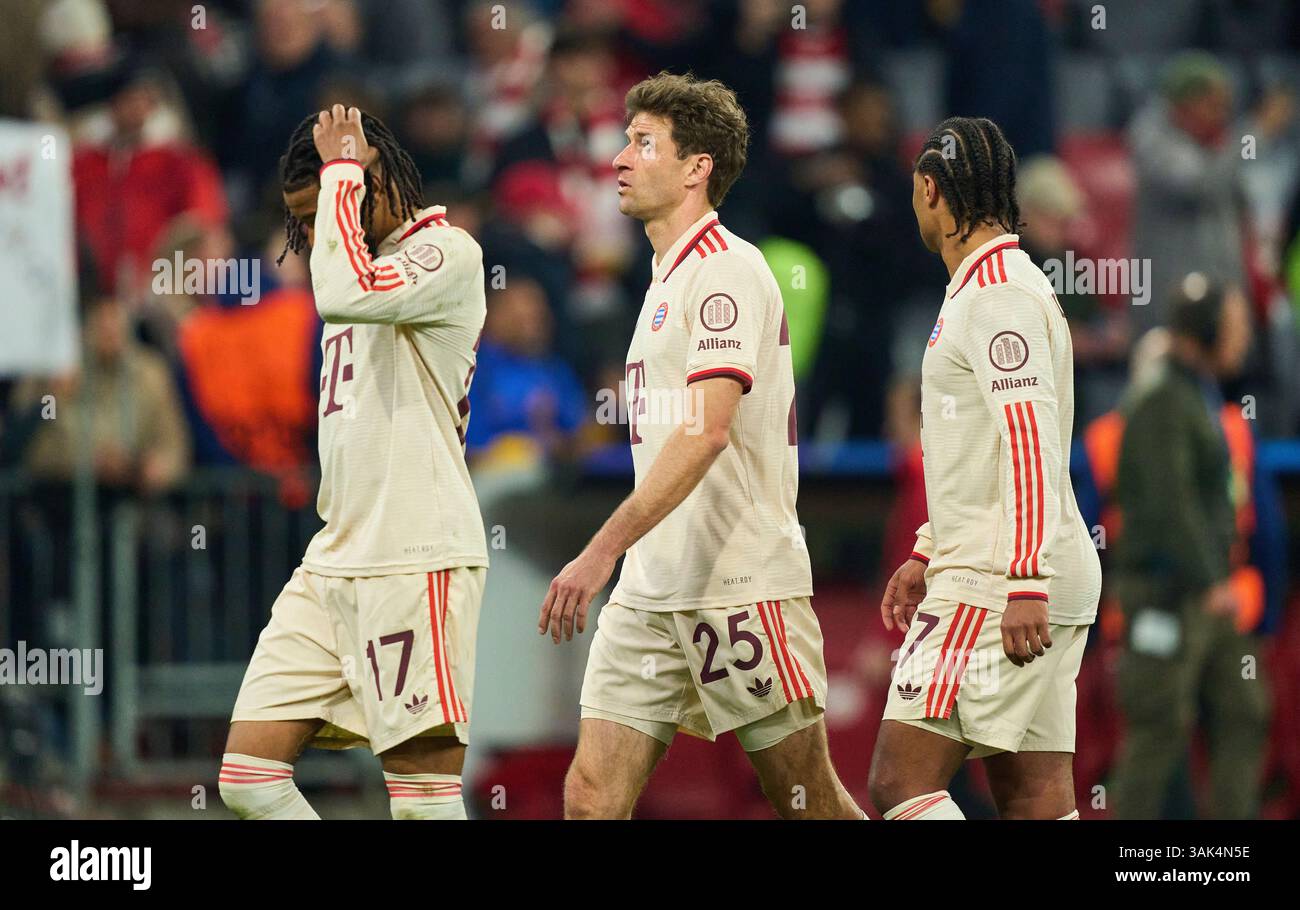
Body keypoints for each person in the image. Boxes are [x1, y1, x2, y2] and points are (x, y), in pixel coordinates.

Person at [537, 72, 861, 820]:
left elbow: (708, 431)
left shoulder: (727, 271)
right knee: (590, 797)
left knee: (805, 800)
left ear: (696, 168)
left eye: (643, 143)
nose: (619, 158)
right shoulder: (660, 280)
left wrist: (600, 550)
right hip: (654, 590)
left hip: (738, 582)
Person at [219, 105, 488, 820]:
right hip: (335, 558)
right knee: (248, 778)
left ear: (366, 182)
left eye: (320, 213)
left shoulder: (448, 253)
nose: (310, 239)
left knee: (421, 801)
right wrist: (338, 189)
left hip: (415, 552)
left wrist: (341, 168)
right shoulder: (347, 265)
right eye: (300, 223)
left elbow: (347, 291)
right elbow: (344, 284)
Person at [870, 117, 1102, 820]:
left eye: (916, 193)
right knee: (1031, 794)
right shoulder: (995, 285)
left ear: (933, 191)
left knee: (898, 782)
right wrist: (929, 548)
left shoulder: (996, 294)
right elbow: (978, 451)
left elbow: (1029, 440)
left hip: (1002, 577)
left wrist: (1024, 578)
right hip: (1006, 563)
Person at [1109, 274, 1270, 819]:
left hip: (1205, 592)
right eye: (1234, 326)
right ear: (1206, 331)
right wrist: (1210, 583)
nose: (1244, 337)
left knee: (1245, 708)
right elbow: (1167, 505)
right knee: (1158, 728)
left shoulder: (1195, 393)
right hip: (1168, 594)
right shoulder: (1161, 400)